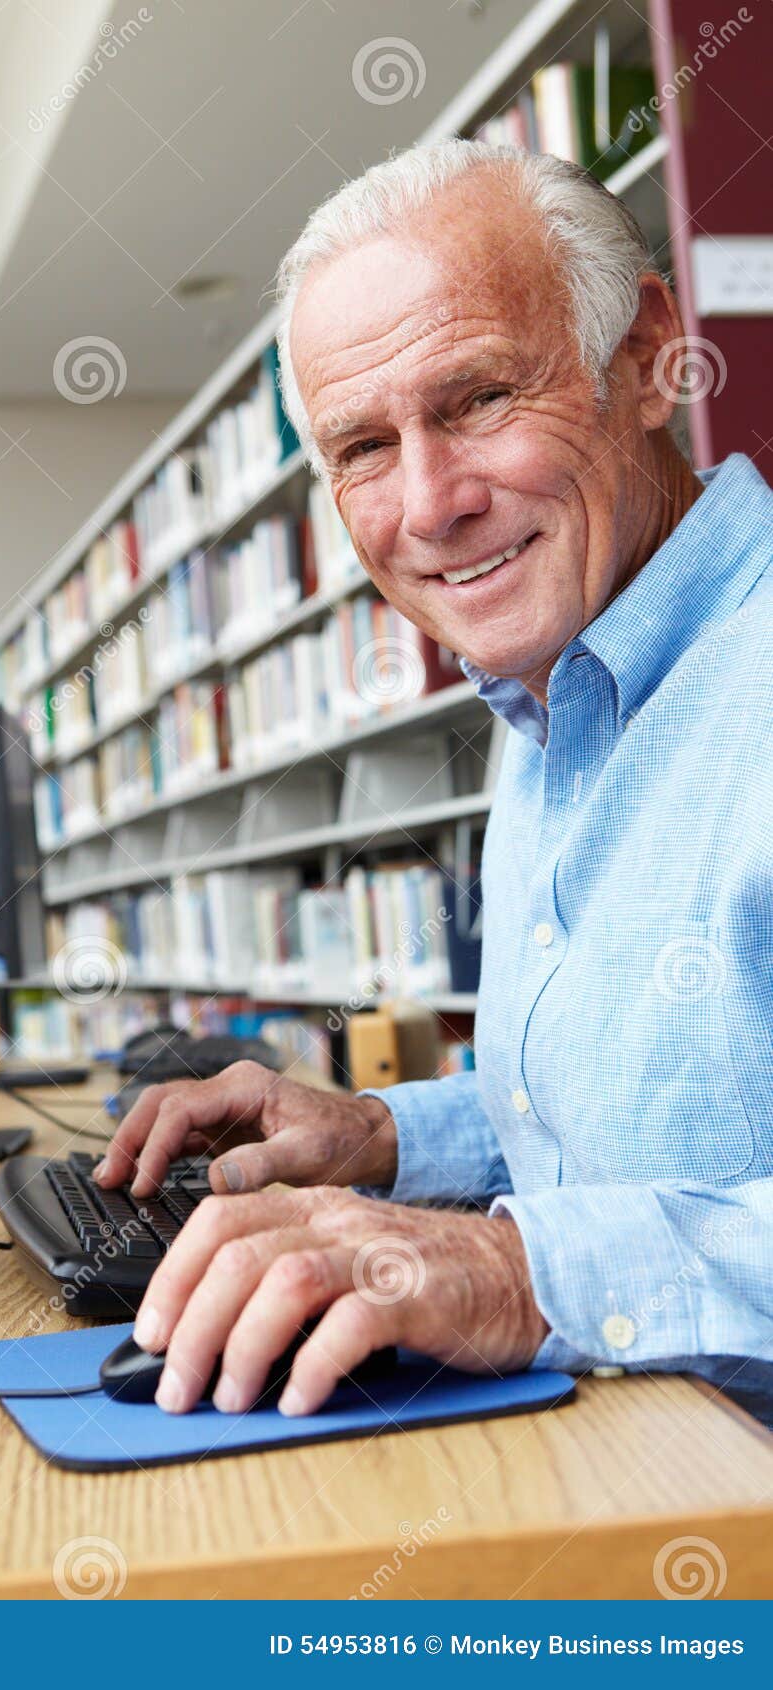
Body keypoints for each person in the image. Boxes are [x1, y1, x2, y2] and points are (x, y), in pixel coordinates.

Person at [95, 138, 773, 1423]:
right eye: (360, 446)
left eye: (476, 400)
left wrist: (518, 1274)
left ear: (643, 357)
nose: (427, 505)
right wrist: (380, 1137)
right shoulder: (552, 688)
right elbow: (657, 1106)